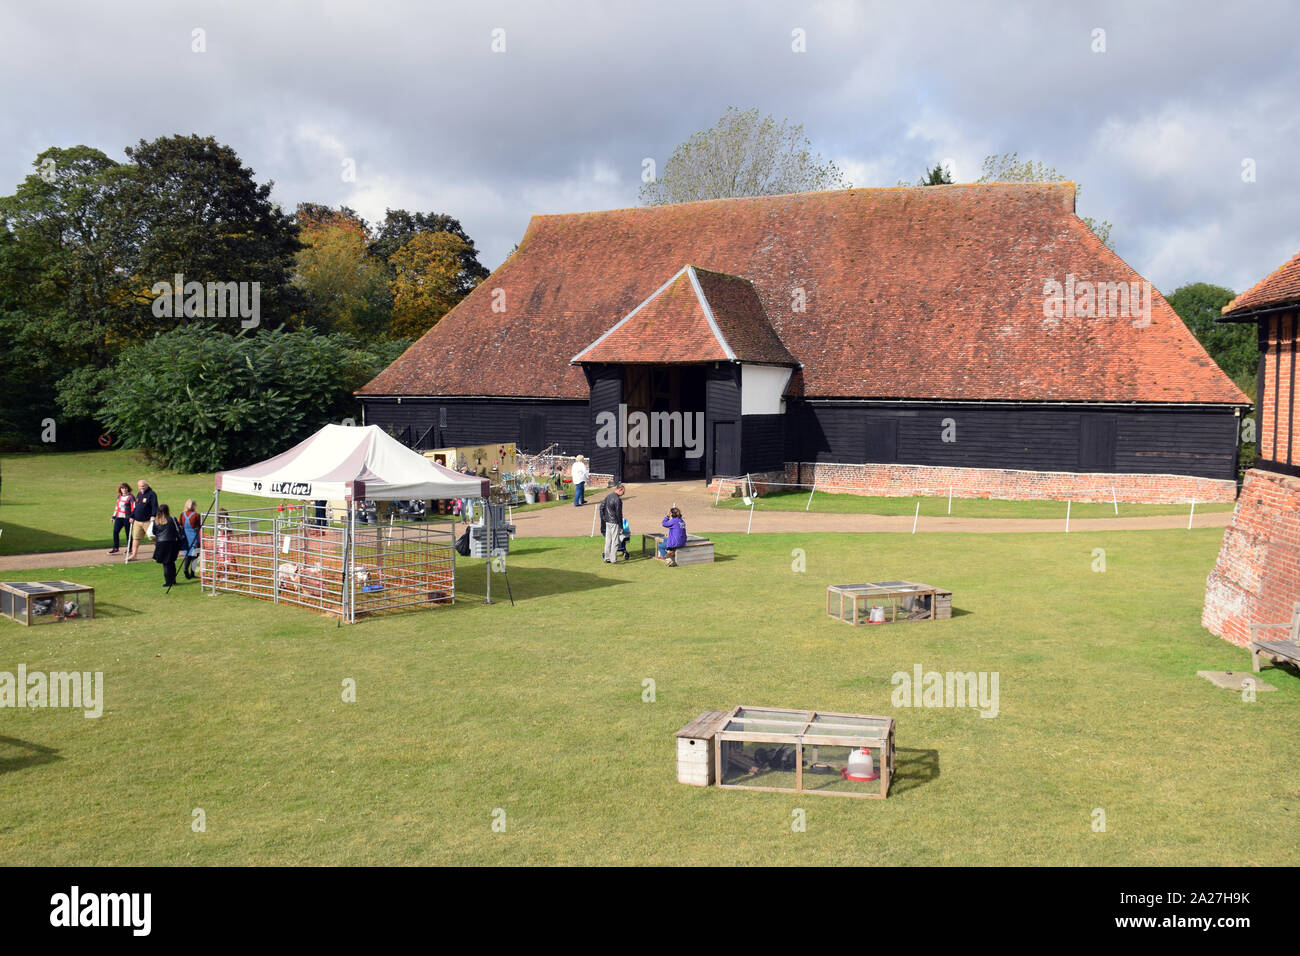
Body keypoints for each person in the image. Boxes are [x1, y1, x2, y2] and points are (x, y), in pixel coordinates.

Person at [152, 504, 184, 590]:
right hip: (171, 543)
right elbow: (178, 530)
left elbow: (154, 532)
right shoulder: (172, 519)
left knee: (165, 564)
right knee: (171, 562)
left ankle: (168, 581)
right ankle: (172, 580)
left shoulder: (156, 521)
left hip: (161, 544)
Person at [127, 479, 158, 563]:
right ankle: (134, 555)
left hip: (147, 521)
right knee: (136, 538)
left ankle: (160, 553)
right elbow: (136, 507)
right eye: (140, 486)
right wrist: (132, 516)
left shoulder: (152, 494)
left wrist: (153, 516)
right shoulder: (139, 494)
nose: (142, 488)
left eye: (143, 486)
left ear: (147, 485)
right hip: (137, 521)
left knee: (153, 537)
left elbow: (155, 506)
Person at [600, 484, 626, 563]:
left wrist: (604, 518)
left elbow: (601, 507)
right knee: (615, 541)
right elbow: (619, 514)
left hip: (608, 521)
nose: (624, 493)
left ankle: (607, 557)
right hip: (614, 522)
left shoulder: (608, 496)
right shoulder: (617, 500)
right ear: (620, 489)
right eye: (623, 492)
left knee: (608, 540)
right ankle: (613, 559)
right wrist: (621, 526)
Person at [109, 482, 135, 555]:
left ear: (128, 489)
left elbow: (134, 508)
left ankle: (130, 548)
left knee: (128, 533)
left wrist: (132, 517)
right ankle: (116, 548)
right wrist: (113, 517)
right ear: (120, 489)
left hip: (127, 518)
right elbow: (117, 507)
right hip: (119, 517)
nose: (124, 489)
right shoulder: (119, 496)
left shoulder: (131, 497)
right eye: (122, 488)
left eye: (125, 488)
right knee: (115, 532)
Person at [180, 499, 203, 579]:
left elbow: (180, 524)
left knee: (188, 555)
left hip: (186, 538)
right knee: (195, 555)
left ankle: (186, 569)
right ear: (194, 506)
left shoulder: (182, 514)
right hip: (194, 537)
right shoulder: (196, 515)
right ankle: (192, 572)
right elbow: (200, 526)